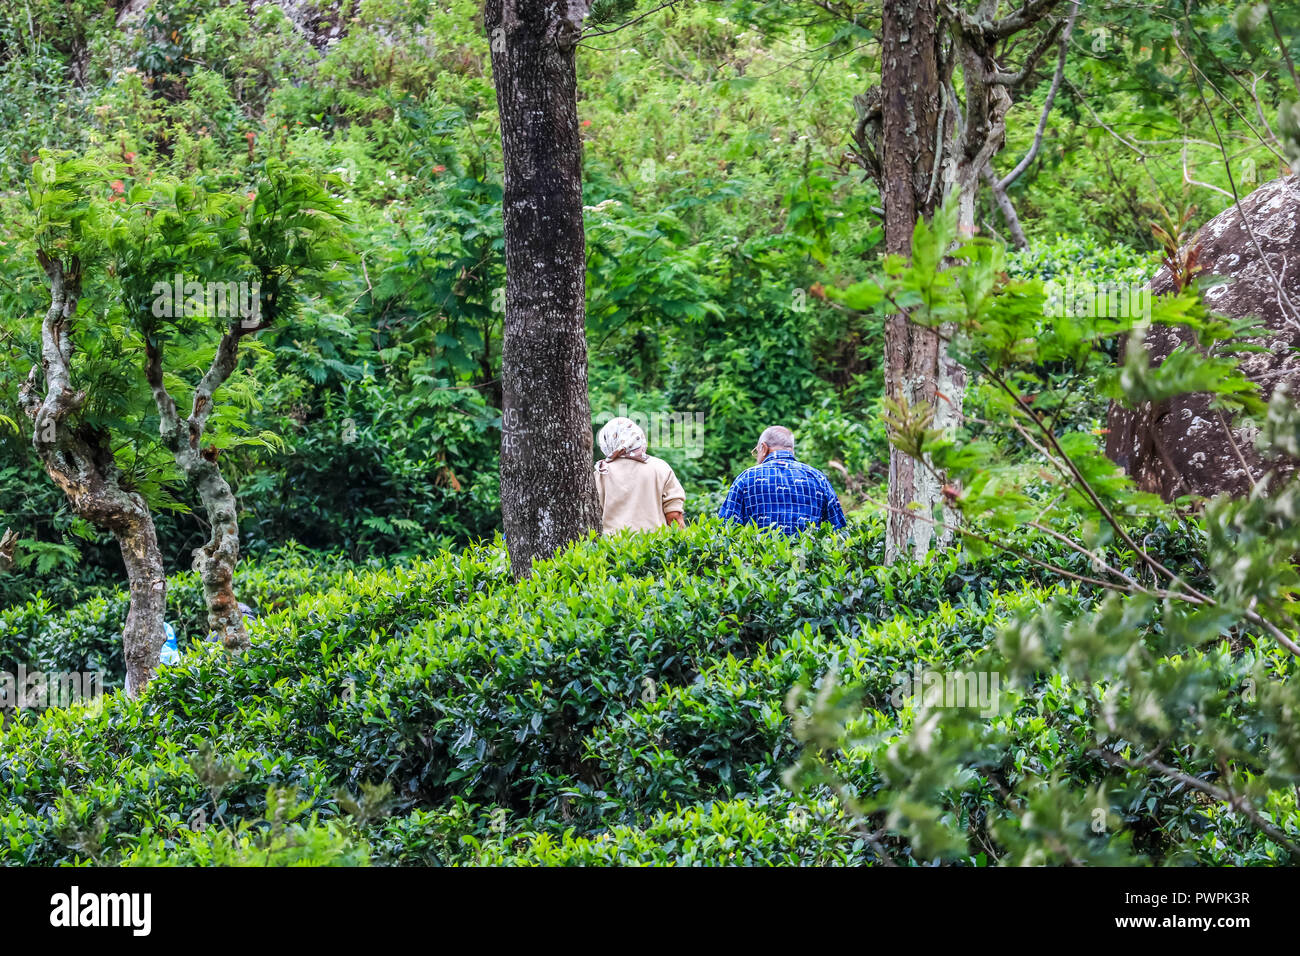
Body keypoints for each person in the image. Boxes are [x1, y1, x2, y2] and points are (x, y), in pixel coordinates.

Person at [718, 425, 847, 534]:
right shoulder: (818, 478)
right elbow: (839, 531)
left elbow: (726, 530)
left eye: (756, 451)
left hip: (759, 563)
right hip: (805, 562)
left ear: (763, 448)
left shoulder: (746, 478)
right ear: (791, 449)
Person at [594, 416, 686, 534]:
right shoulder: (660, 468)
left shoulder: (601, 473)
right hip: (654, 547)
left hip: (613, 549)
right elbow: (674, 516)